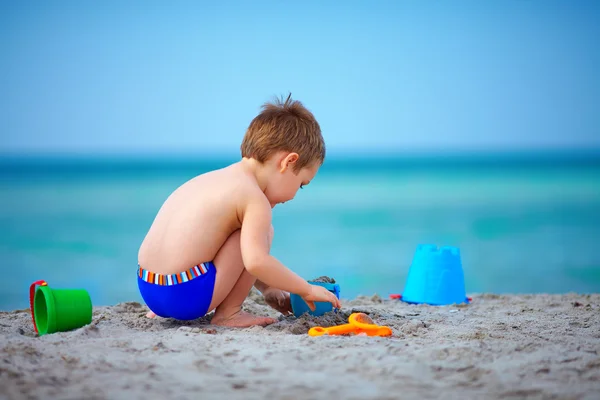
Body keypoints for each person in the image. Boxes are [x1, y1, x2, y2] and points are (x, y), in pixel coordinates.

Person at [136, 94, 341, 327]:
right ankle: (229, 314)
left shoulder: (210, 180)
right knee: (265, 232)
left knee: (241, 234)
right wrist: (306, 289)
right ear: (288, 162)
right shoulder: (254, 199)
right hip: (184, 297)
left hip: (149, 289)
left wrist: (268, 288)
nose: (295, 194)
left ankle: (168, 306)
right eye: (301, 184)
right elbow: (255, 262)